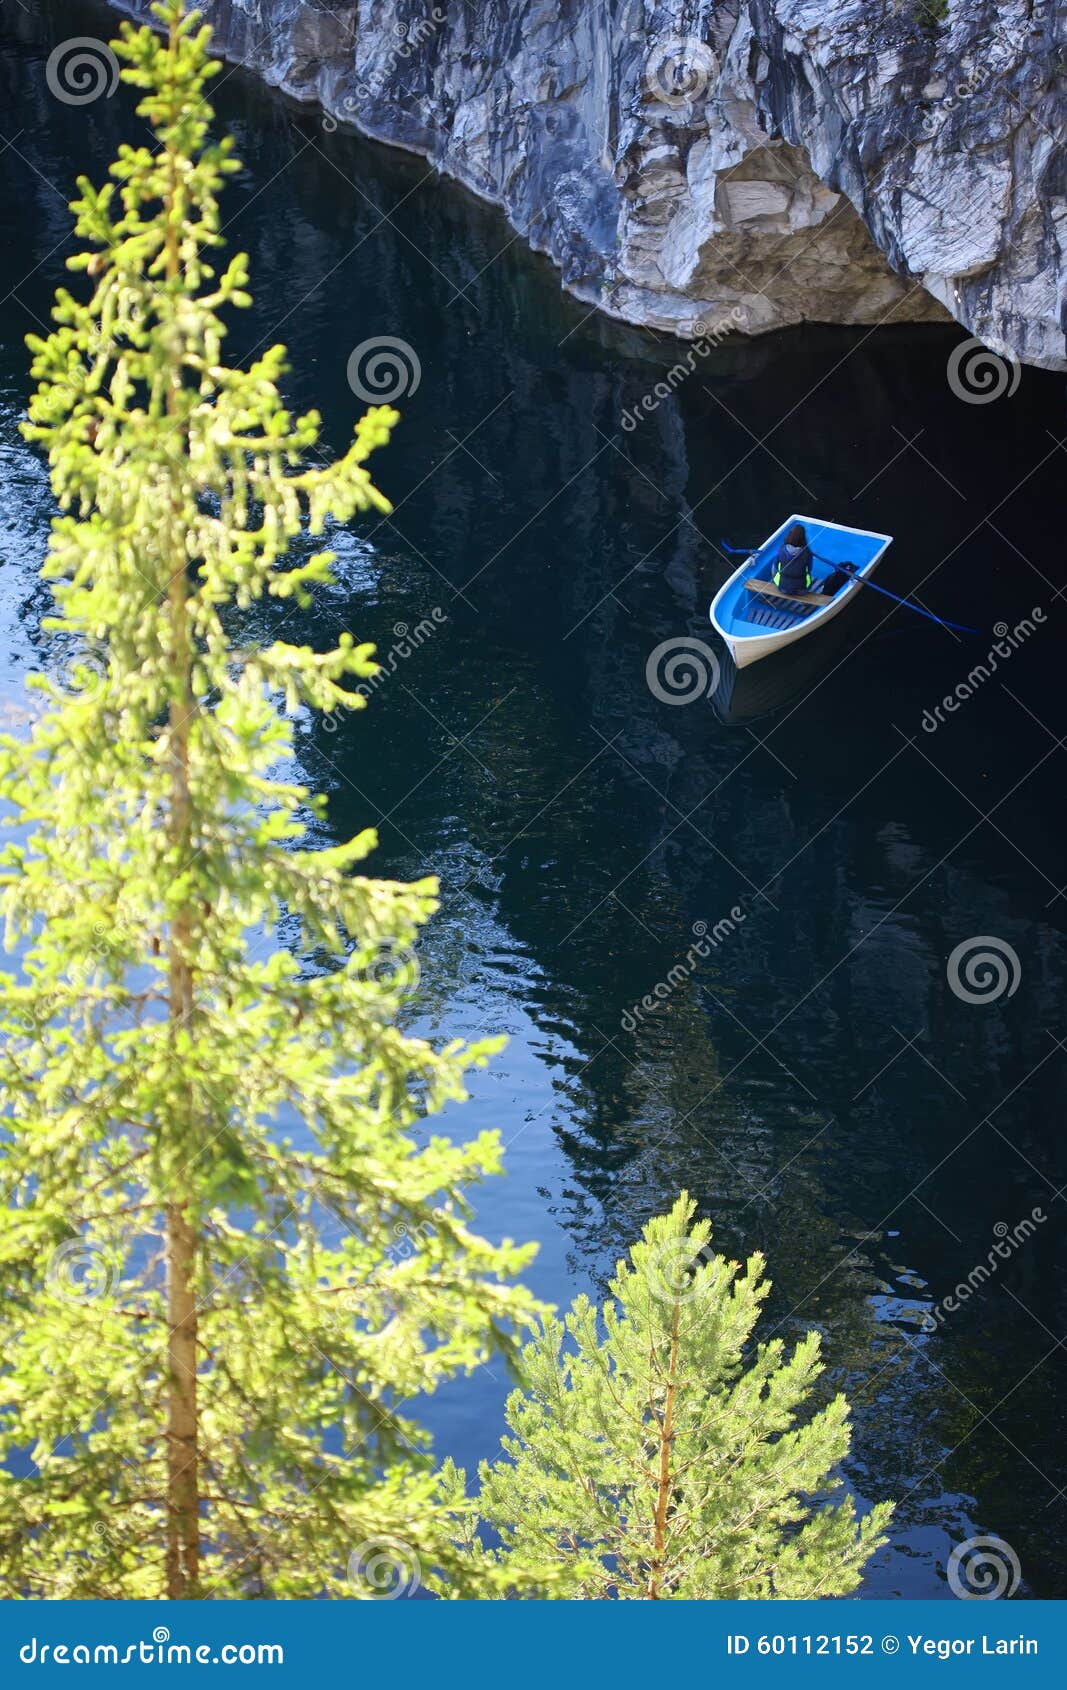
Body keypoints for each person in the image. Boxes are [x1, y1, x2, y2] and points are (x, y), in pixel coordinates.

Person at [770, 523, 814, 595]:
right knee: (808, 576)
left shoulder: (781, 549)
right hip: (801, 590)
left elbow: (775, 565)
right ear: (803, 537)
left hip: (783, 588)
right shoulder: (807, 552)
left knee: (775, 565)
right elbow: (809, 569)